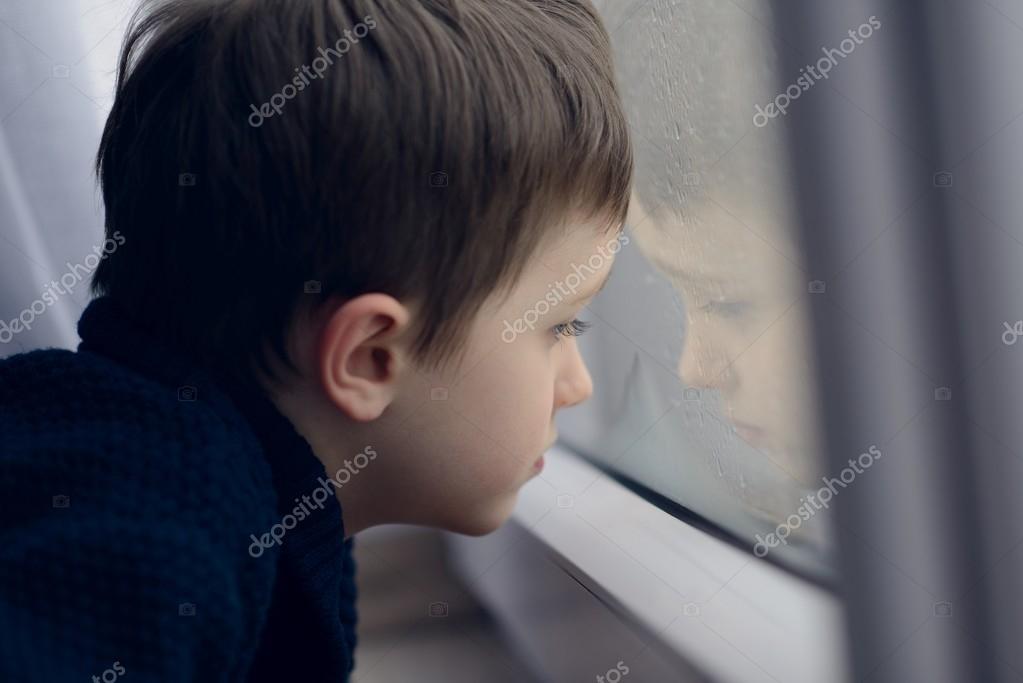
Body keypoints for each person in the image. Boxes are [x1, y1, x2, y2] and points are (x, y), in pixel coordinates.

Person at [0, 1, 633, 680]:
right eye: (560, 327)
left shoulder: (260, 500)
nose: (578, 385)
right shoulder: (151, 534)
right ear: (368, 358)